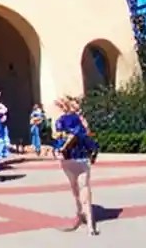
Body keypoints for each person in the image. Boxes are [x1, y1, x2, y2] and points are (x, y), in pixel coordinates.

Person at [54, 97, 99, 235]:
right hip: (81, 158)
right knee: (85, 189)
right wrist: (93, 156)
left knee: (75, 188)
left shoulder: (61, 120)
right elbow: (89, 139)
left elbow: (57, 137)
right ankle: (90, 225)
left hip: (67, 160)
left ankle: (80, 214)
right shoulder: (81, 121)